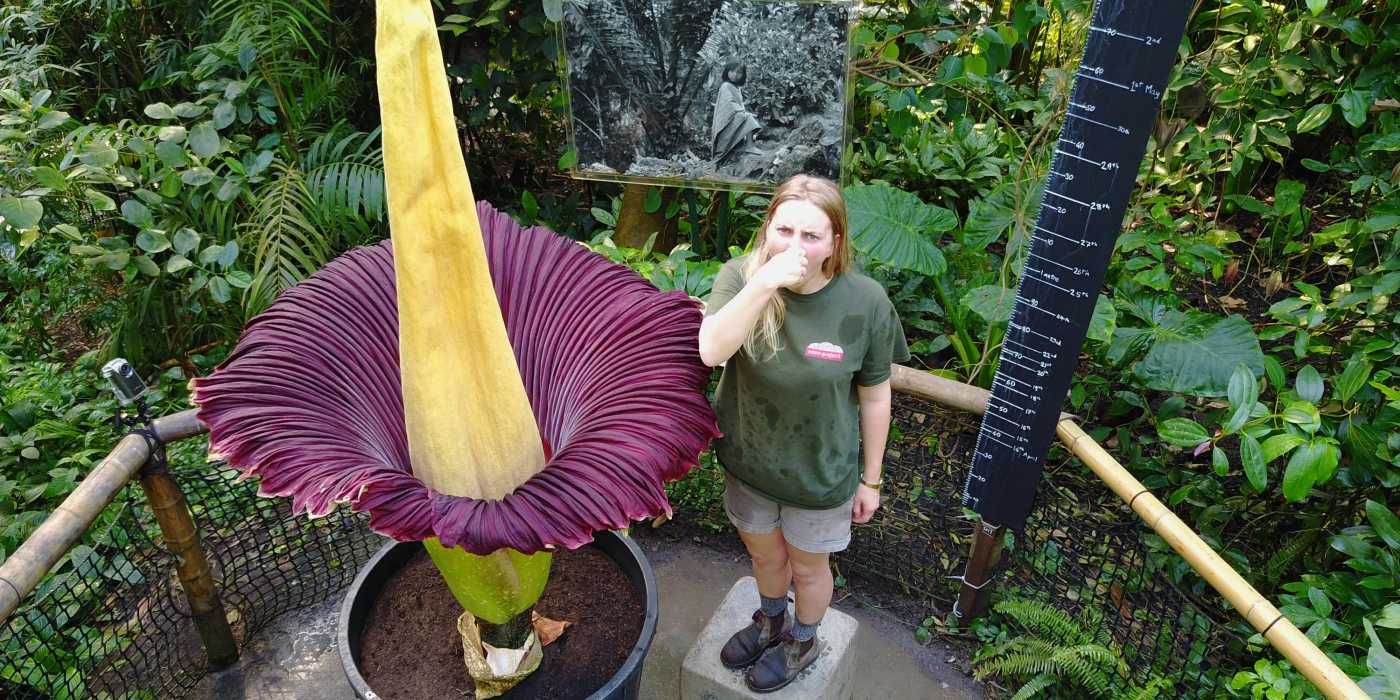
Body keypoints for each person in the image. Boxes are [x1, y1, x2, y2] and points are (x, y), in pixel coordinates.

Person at [697, 174, 910, 692]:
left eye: (811, 236)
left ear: (834, 243)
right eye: (784, 230)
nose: (795, 245)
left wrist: (872, 480)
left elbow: (876, 395)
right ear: (767, 228)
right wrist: (764, 283)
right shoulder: (740, 278)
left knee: (810, 570)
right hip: (749, 465)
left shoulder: (865, 302)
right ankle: (771, 620)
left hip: (820, 477)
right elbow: (710, 351)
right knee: (765, 557)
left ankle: (803, 638)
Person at [711, 61, 762, 169]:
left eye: (739, 72)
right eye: (732, 71)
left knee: (747, 116)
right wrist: (742, 112)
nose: (735, 75)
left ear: (743, 75)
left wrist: (742, 111)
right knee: (747, 117)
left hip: (733, 118)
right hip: (725, 124)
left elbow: (738, 106)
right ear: (727, 72)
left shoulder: (735, 87)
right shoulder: (726, 86)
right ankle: (750, 146)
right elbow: (729, 104)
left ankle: (746, 146)